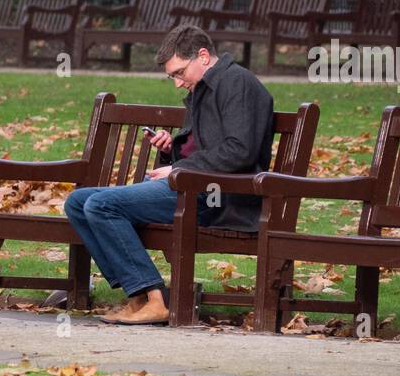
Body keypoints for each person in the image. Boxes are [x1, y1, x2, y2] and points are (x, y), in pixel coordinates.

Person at [64, 24, 274, 326]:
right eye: (172, 76)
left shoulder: (237, 84)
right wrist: (170, 150)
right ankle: (138, 299)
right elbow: (201, 150)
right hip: (191, 185)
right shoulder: (204, 86)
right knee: (77, 201)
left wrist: (179, 169)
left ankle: (155, 299)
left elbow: (239, 151)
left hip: (217, 197)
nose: (177, 83)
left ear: (203, 56)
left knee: (101, 205)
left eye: (179, 73)